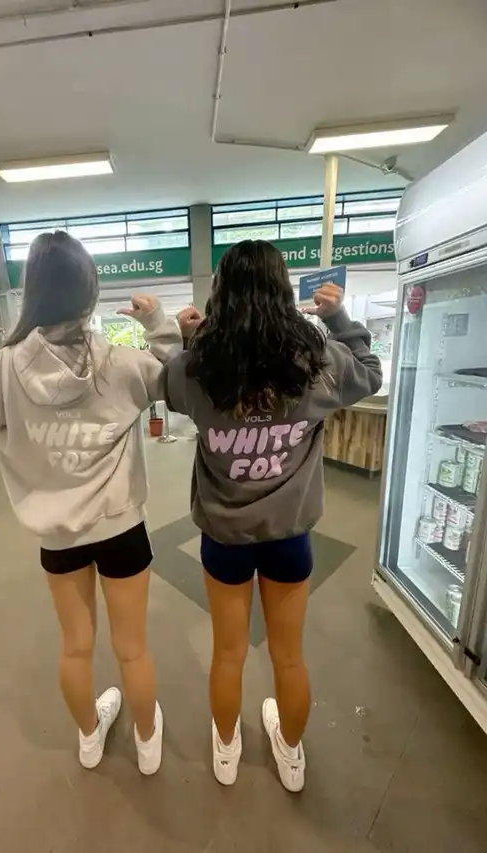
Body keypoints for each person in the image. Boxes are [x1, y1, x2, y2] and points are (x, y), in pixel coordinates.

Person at [0, 231, 182, 775]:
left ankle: (89, 738)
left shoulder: (4, 367)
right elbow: (184, 383)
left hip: (57, 536)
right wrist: (159, 324)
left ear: (33, 293)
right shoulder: (122, 363)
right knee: (133, 649)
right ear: (89, 292)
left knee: (75, 647)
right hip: (121, 528)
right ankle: (147, 742)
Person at [170, 240, 382, 790]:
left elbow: (166, 388)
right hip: (289, 537)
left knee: (227, 653)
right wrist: (337, 318)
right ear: (284, 291)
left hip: (223, 536)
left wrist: (187, 337)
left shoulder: (198, 368)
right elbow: (370, 373)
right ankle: (290, 755)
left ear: (220, 293)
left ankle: (226, 749)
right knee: (289, 657)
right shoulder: (317, 362)